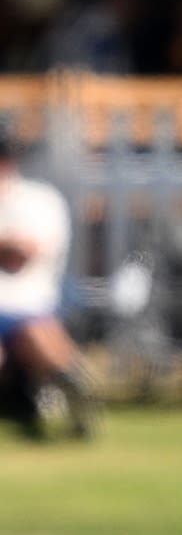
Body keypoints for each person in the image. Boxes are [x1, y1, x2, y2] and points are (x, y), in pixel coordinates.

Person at [0, 126, 96, 439]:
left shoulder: (38, 199)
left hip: (29, 307)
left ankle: (69, 393)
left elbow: (24, 254)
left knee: (38, 339)